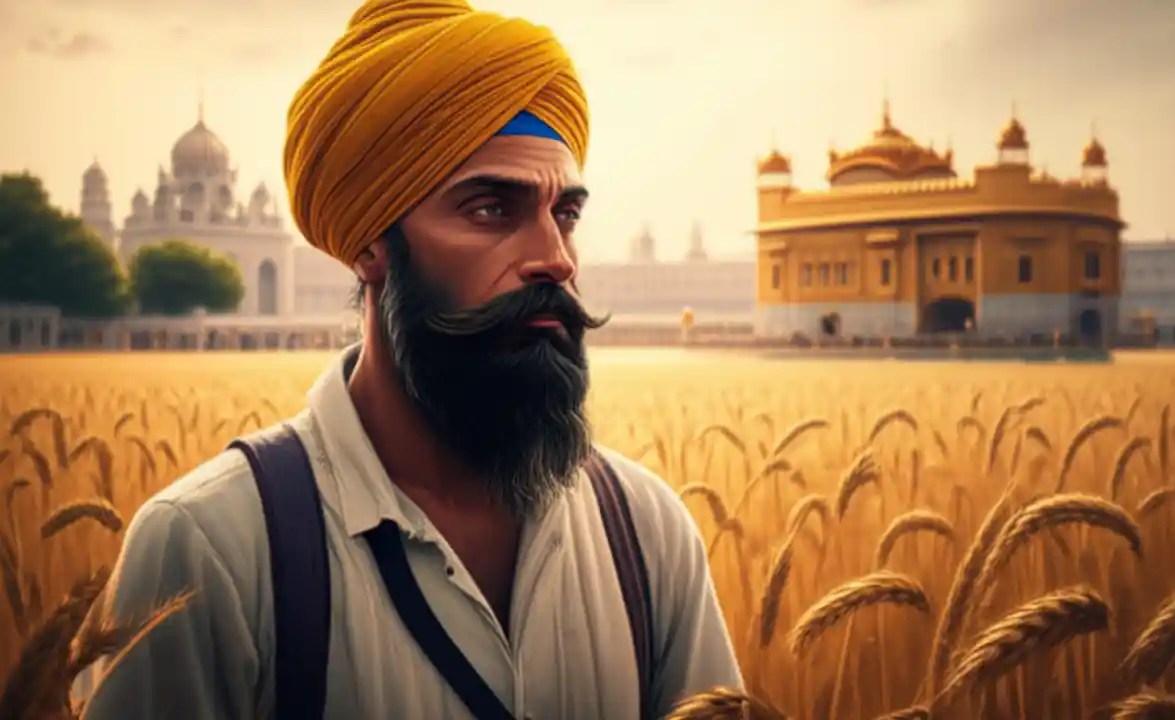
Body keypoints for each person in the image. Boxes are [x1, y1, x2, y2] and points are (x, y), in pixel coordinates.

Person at [72, 0, 742, 717]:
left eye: (565, 214)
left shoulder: (644, 532)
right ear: (370, 244)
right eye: (491, 210)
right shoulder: (212, 549)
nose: (556, 259)